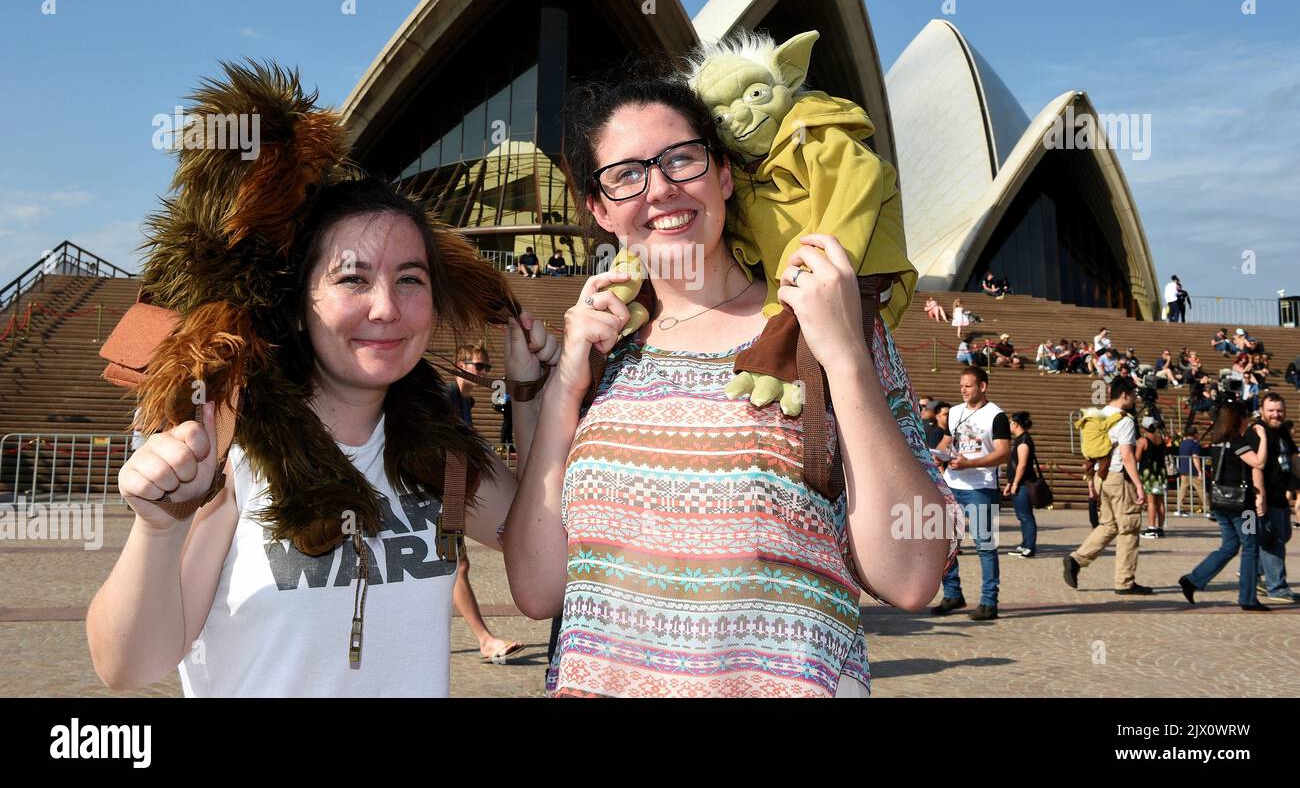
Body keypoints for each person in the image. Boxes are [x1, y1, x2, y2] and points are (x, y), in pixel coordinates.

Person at [501, 72, 957, 697]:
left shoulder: (817, 329)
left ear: (723, 177)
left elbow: (910, 575)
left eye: (681, 160)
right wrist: (560, 394)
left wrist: (845, 356)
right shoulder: (604, 357)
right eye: (626, 173)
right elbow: (535, 588)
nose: (660, 189)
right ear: (599, 210)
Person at [86, 177, 557, 695]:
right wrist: (159, 528)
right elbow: (128, 666)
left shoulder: (441, 456)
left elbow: (546, 575)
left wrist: (531, 398)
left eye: (410, 279)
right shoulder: (231, 449)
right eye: (353, 278)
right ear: (298, 303)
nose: (386, 308)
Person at [446, 341, 526, 663]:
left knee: (453, 569)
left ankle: (483, 639)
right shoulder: (446, 395)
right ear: (459, 364)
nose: (483, 374)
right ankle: (484, 640)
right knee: (457, 567)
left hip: (454, 495)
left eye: (486, 368)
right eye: (478, 367)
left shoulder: (464, 402)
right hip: (446, 496)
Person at [931, 365, 1011, 620]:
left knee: (984, 545)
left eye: (968, 385)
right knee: (945, 542)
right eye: (961, 385)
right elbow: (946, 442)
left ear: (982, 386)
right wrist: (938, 455)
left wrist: (970, 463)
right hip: (952, 483)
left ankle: (989, 601)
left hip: (981, 487)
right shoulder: (954, 412)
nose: (963, 390)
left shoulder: (996, 416)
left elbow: (1003, 453)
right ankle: (952, 593)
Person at [1177, 400, 1270, 611]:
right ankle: (1248, 598)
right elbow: (1259, 463)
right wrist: (1262, 438)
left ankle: (1192, 580)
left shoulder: (1218, 440)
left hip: (1220, 502)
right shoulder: (1236, 441)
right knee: (1250, 547)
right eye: (1246, 416)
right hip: (1242, 507)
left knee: (1229, 546)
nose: (1248, 420)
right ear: (1239, 419)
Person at [1063, 377, 1153, 595]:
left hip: (1100, 477)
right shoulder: (1125, 420)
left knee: (1109, 524)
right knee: (1128, 528)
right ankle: (1125, 581)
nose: (1134, 399)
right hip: (1119, 478)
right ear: (1125, 395)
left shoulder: (1096, 416)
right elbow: (1127, 456)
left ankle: (1076, 559)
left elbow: (1089, 453)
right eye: (1133, 394)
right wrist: (1139, 485)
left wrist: (1090, 482)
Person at [1255, 393, 1298, 603]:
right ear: (1262, 411)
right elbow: (1256, 466)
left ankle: (1254, 571)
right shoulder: (1259, 431)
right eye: (1271, 410)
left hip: (1281, 494)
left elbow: (1292, 457)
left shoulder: (1282, 431)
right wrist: (1260, 496)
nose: (1276, 414)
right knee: (1274, 541)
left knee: (1284, 535)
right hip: (1267, 495)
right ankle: (1276, 586)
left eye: (1279, 410)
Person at [1004, 412, 1039, 558]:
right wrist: (1009, 483)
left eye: (1011, 422)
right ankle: (1025, 544)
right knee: (1022, 515)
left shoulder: (1024, 440)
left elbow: (1022, 464)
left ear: (1016, 424)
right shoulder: (1019, 439)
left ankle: (1029, 546)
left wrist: (1015, 483)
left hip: (1024, 484)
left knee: (1026, 516)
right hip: (1018, 483)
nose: (1010, 425)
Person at [1136, 416, 1169, 538]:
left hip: (1149, 474)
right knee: (1160, 501)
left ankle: (1151, 528)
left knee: (1151, 501)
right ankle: (1160, 528)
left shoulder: (1143, 441)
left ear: (1144, 427)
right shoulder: (1160, 439)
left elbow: (1137, 458)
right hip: (1160, 473)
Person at [1173, 432, 1208, 517]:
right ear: (1195, 434)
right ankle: (1208, 509)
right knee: (1200, 489)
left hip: (1183, 469)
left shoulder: (1182, 444)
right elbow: (1195, 457)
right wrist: (1199, 471)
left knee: (1183, 489)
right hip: (1192, 470)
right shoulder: (1195, 444)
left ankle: (1179, 508)